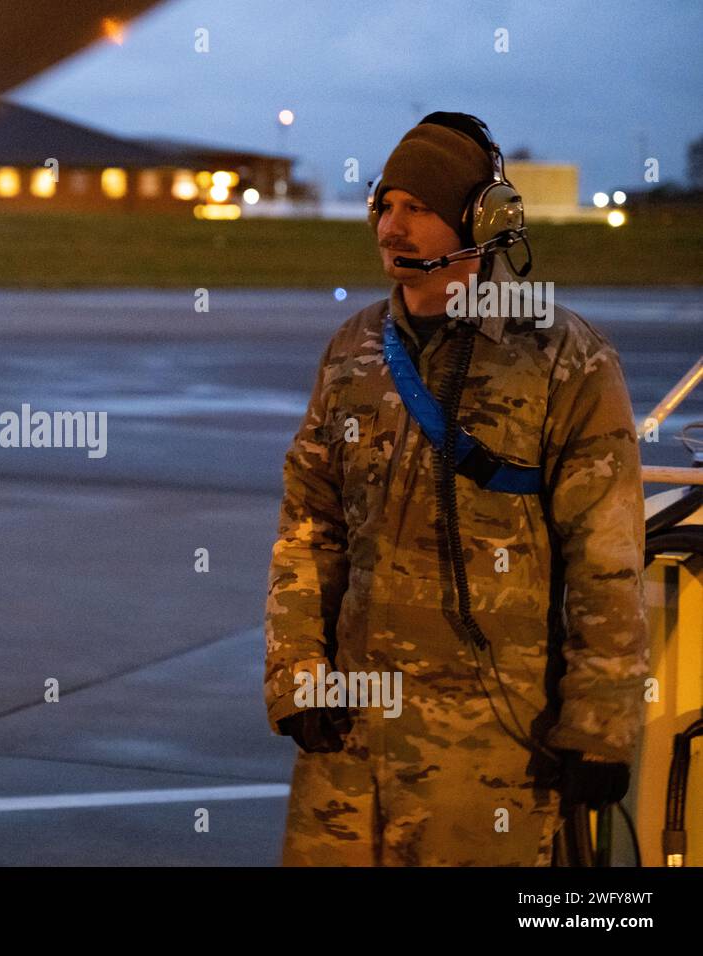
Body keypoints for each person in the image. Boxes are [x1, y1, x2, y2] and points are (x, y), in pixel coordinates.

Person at [263, 112, 649, 866]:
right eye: (385, 205)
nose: (391, 228)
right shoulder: (353, 351)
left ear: (484, 221)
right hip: (350, 743)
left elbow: (606, 557)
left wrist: (599, 726)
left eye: (419, 209)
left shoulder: (563, 360)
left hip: (489, 755)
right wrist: (298, 675)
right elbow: (310, 524)